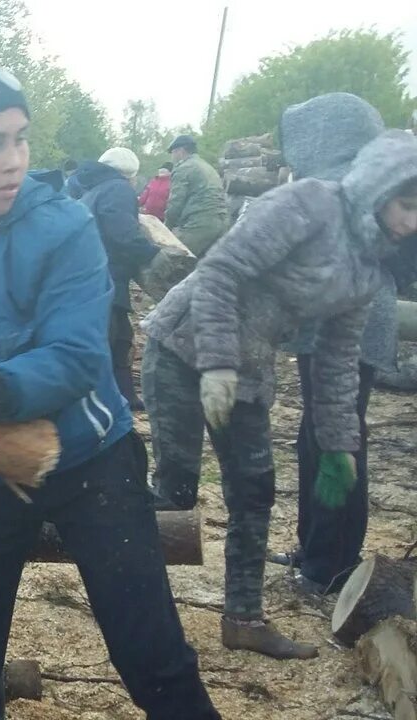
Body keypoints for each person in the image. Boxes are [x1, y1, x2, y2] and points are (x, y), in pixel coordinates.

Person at [0, 57, 218, 719]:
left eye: (20, 138)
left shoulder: (65, 227)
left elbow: (77, 358)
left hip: (90, 458)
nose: (14, 158)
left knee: (153, 656)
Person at [142, 129, 417, 660]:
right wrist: (216, 363)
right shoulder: (309, 203)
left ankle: (243, 619)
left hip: (249, 364)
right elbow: (221, 271)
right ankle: (140, 611)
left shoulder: (367, 270)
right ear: (381, 187)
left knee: (254, 490)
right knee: (175, 490)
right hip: (183, 343)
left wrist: (339, 444)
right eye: (407, 205)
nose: (410, 223)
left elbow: (338, 360)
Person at [274, 94, 417, 595]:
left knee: (336, 439)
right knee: (313, 438)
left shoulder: (372, 185)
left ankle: (331, 563)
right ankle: (313, 547)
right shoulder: (337, 185)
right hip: (325, 324)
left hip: (352, 330)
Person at [74, 147, 167, 410]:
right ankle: (103, 399)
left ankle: (124, 396)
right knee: (111, 339)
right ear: (130, 174)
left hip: (92, 275)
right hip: (106, 278)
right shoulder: (118, 188)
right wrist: (152, 253)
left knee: (119, 336)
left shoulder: (92, 190)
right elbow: (122, 232)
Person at [165, 134, 229, 256]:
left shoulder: (184, 168)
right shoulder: (207, 167)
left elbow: (175, 203)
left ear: (181, 151)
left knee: (171, 259)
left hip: (199, 223)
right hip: (222, 222)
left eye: (173, 152)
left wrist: (166, 228)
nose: (172, 157)